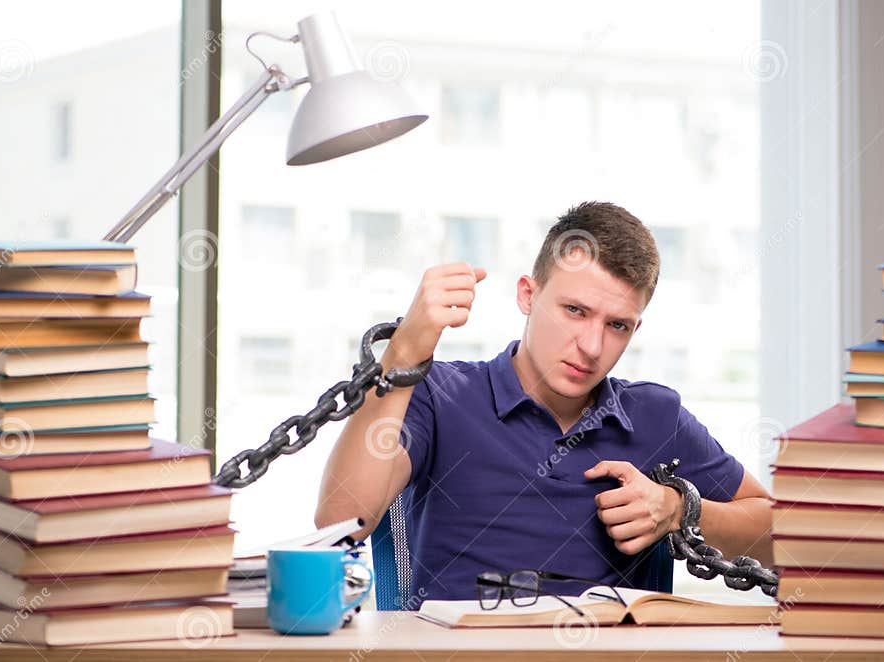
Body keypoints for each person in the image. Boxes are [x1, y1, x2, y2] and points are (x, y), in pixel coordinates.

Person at [316, 201, 773, 601]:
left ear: (635, 330)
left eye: (617, 325)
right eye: (575, 311)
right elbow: (340, 522)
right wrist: (403, 355)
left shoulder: (656, 416)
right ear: (528, 295)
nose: (592, 347)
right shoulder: (437, 395)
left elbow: (779, 537)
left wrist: (679, 509)